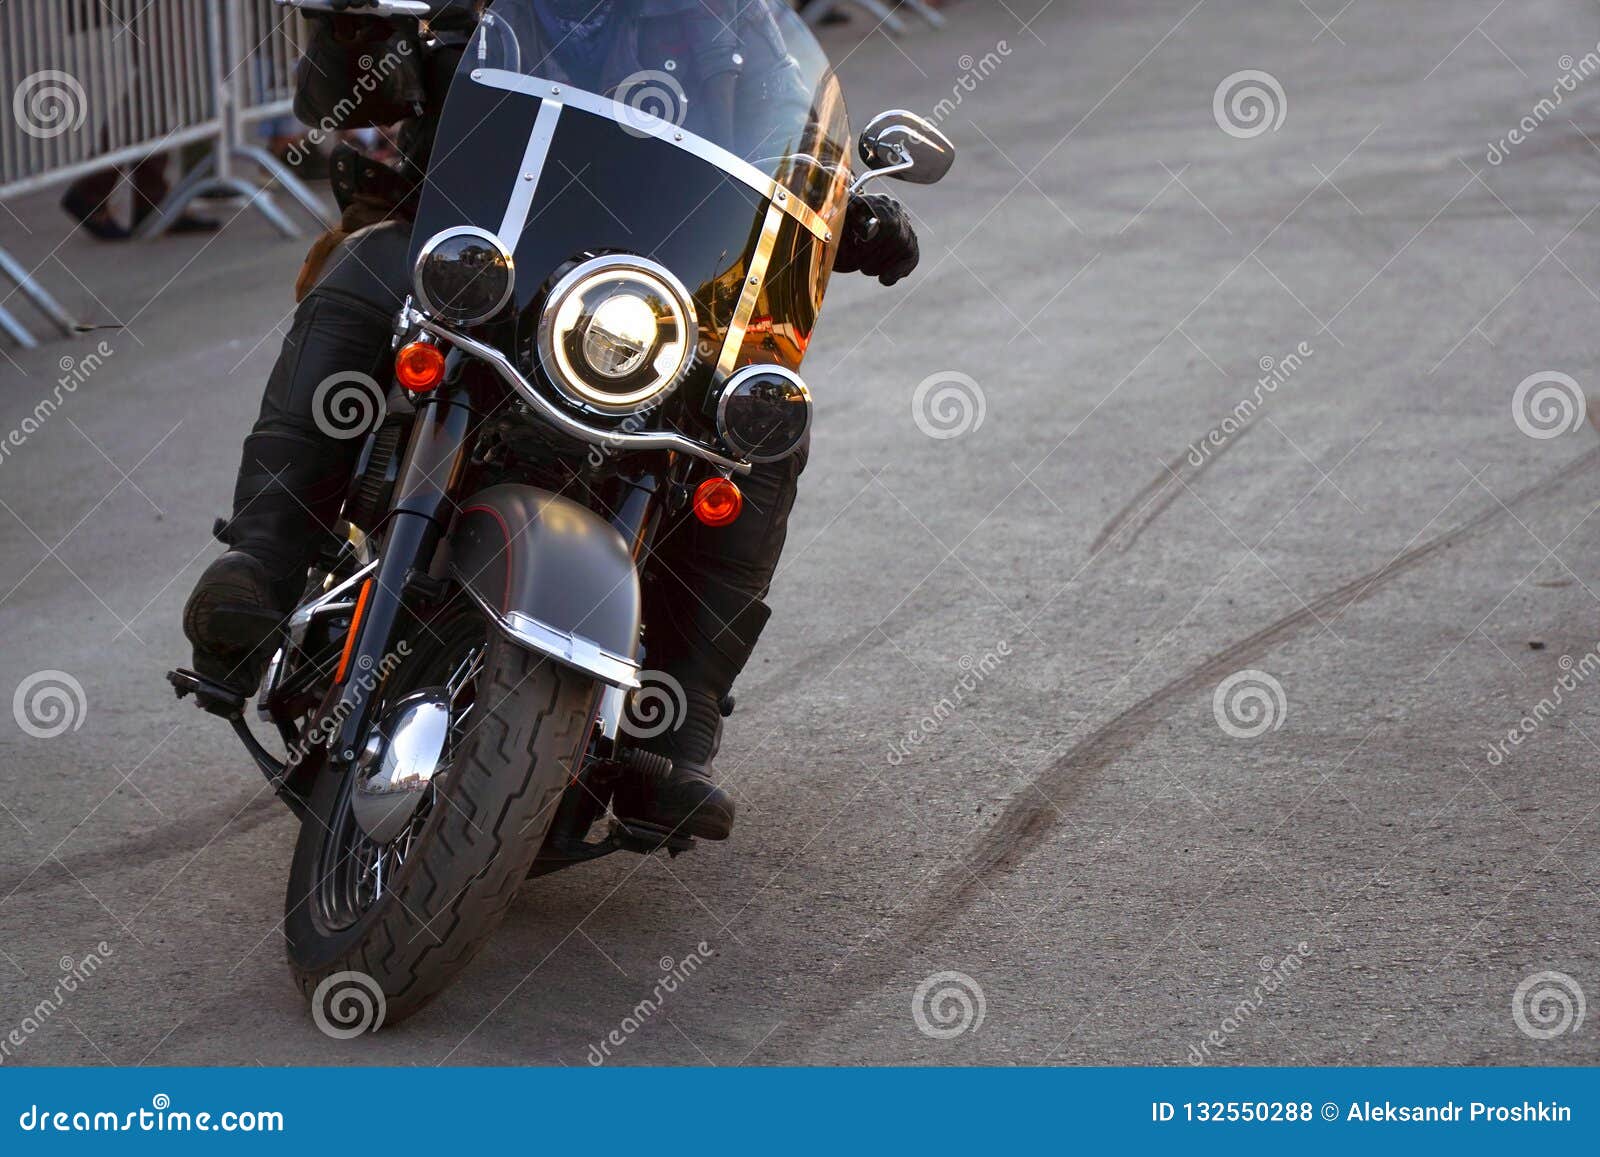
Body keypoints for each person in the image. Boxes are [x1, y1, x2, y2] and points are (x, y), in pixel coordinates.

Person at [182, 0, 920, 842]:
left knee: (763, 425)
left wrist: (849, 210)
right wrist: (357, 32)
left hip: (647, 304)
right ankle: (265, 559)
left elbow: (794, 153)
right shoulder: (502, 7)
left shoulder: (749, 39)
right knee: (368, 265)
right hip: (485, 251)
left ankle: (675, 722)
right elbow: (345, 98)